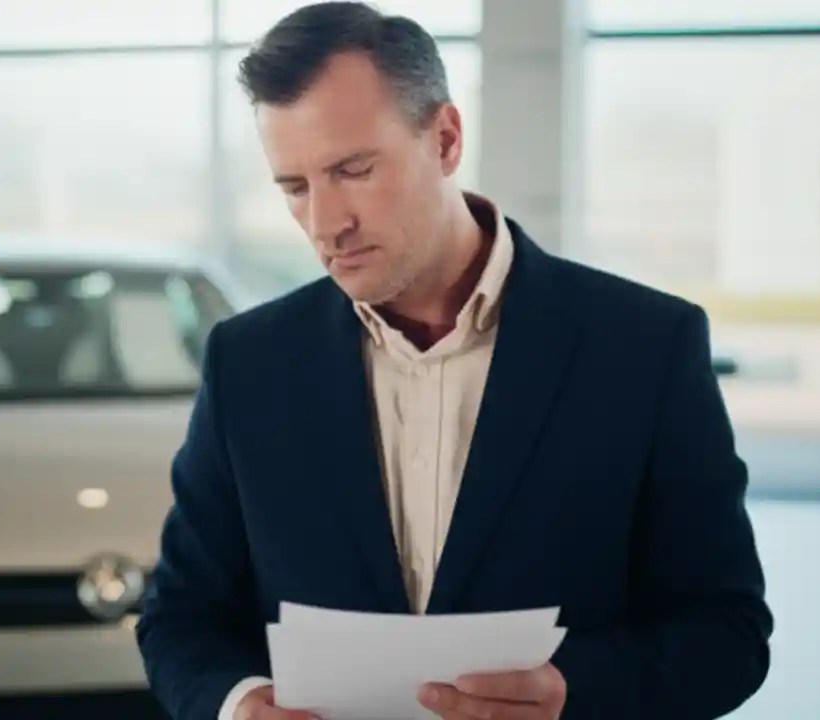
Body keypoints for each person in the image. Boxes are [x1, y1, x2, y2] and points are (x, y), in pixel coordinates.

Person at [136, 3, 773, 719]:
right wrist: (238, 705)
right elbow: (179, 617)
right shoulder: (249, 364)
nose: (325, 223)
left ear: (444, 139)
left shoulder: (644, 348)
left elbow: (728, 633)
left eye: (353, 170)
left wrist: (575, 693)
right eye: (295, 187)